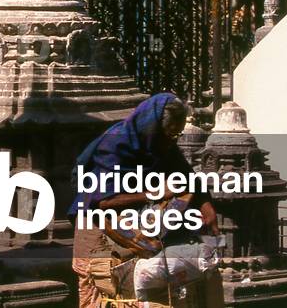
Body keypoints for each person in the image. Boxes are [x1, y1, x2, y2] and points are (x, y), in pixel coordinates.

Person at [69, 93, 220, 307]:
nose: (172, 141)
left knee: (140, 292)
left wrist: (207, 208)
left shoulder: (163, 146)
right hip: (97, 227)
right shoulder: (115, 146)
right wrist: (155, 193)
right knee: (101, 289)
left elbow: (188, 178)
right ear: (152, 128)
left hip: (135, 229)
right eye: (169, 135)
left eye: (176, 136)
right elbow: (102, 201)